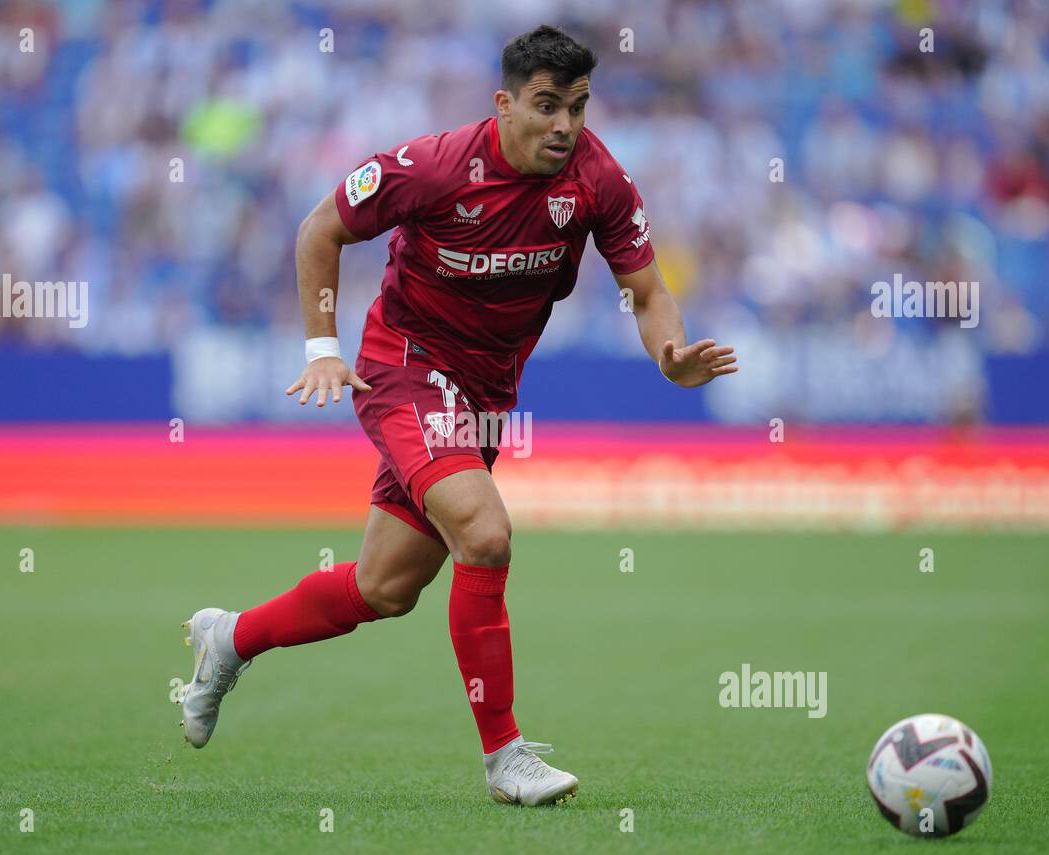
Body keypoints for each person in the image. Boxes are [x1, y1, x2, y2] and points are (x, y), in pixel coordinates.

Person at [178, 24, 738, 806]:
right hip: (404, 368)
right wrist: (319, 346)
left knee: (383, 589)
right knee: (485, 533)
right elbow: (321, 229)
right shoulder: (432, 167)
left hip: (482, 400)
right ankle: (506, 755)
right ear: (503, 103)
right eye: (546, 106)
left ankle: (229, 639)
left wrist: (670, 354)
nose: (564, 126)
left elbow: (647, 291)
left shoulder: (598, 178)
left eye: (577, 107)